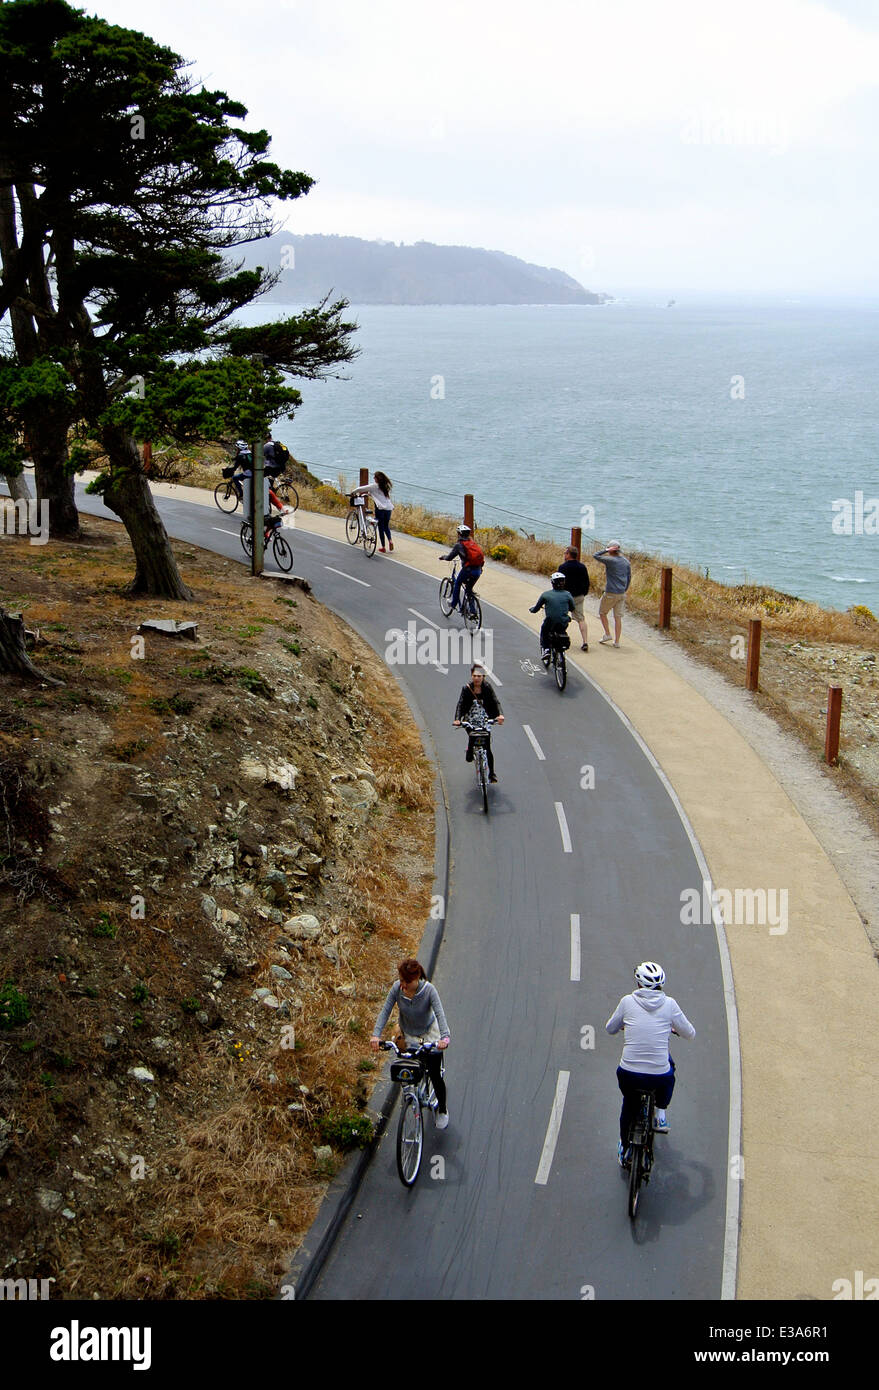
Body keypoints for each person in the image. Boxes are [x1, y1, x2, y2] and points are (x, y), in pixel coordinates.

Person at [606, 961, 696, 1166]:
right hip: (658, 1077)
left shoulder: (627, 1002)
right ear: (661, 985)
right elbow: (690, 1034)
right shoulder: (670, 1005)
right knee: (669, 1069)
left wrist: (624, 1026)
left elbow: (610, 1028)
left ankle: (625, 1147)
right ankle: (661, 1113)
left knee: (629, 1104)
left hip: (628, 1073)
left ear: (638, 984)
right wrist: (674, 1029)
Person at [371, 958, 451, 1129]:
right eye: (401, 980)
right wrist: (375, 1035)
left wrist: (444, 1038)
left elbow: (440, 1014)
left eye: (407, 982)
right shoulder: (397, 989)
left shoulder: (429, 990)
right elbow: (385, 1011)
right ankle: (411, 1092)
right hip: (409, 1034)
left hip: (429, 1034)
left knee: (435, 1075)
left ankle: (442, 1109)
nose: (403, 986)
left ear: (417, 978)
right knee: (407, 1065)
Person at [453, 662, 504, 782]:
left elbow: (496, 701)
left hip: (485, 718)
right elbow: (460, 704)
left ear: (483, 677)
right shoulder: (466, 688)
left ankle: (491, 774)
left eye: (479, 676)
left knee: (487, 746)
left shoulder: (487, 687)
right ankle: (470, 751)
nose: (476, 678)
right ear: (471, 676)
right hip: (470, 718)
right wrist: (457, 719)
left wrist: (500, 715)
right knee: (472, 735)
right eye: (474, 676)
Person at [529, 572, 576, 664]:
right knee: (562, 630)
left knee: (544, 631)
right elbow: (572, 608)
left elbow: (536, 608)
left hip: (550, 622)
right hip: (563, 622)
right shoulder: (567, 594)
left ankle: (546, 649)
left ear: (552, 583)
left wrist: (532, 610)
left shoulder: (546, 595)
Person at [593, 540, 631, 648]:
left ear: (611, 550)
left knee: (602, 612)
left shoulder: (611, 561)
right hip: (622, 593)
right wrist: (624, 589)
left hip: (611, 592)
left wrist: (605, 550)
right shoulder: (626, 562)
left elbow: (595, 555)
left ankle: (608, 634)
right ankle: (617, 641)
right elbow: (629, 578)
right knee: (617, 617)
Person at [440, 524, 484, 614]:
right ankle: (473, 611)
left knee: (457, 583)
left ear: (459, 534)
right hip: (478, 571)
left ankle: (453, 604)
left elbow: (449, 557)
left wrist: (443, 557)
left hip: (468, 570)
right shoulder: (473, 543)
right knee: (468, 589)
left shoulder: (459, 545)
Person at [557, 545, 591, 651]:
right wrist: (583, 593)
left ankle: (560, 637)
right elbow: (587, 582)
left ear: (568, 554)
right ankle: (585, 641)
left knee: (561, 617)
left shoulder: (562, 567)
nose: (564, 555)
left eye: (565, 553)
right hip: (579, 596)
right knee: (581, 619)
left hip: (565, 596)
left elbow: (559, 583)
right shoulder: (582, 567)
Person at [354, 471, 394, 553]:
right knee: (386, 526)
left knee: (380, 528)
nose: (373, 478)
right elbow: (379, 495)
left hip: (380, 509)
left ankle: (383, 547)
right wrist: (370, 494)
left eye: (374, 477)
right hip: (389, 509)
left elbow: (361, 489)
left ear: (377, 479)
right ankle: (390, 540)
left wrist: (352, 492)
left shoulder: (373, 486)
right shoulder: (385, 486)